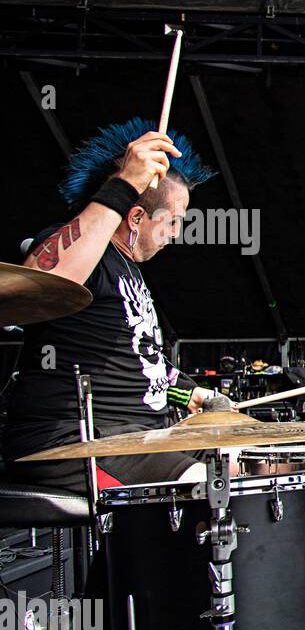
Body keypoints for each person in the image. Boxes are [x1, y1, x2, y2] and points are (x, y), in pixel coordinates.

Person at [2, 119, 223, 492]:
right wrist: (123, 185)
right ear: (136, 218)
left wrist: (195, 394)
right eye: (172, 222)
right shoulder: (84, 254)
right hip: (74, 441)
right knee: (206, 490)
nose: (175, 234)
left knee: (229, 464)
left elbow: (146, 367)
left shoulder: (128, 272)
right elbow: (39, 289)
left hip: (134, 439)